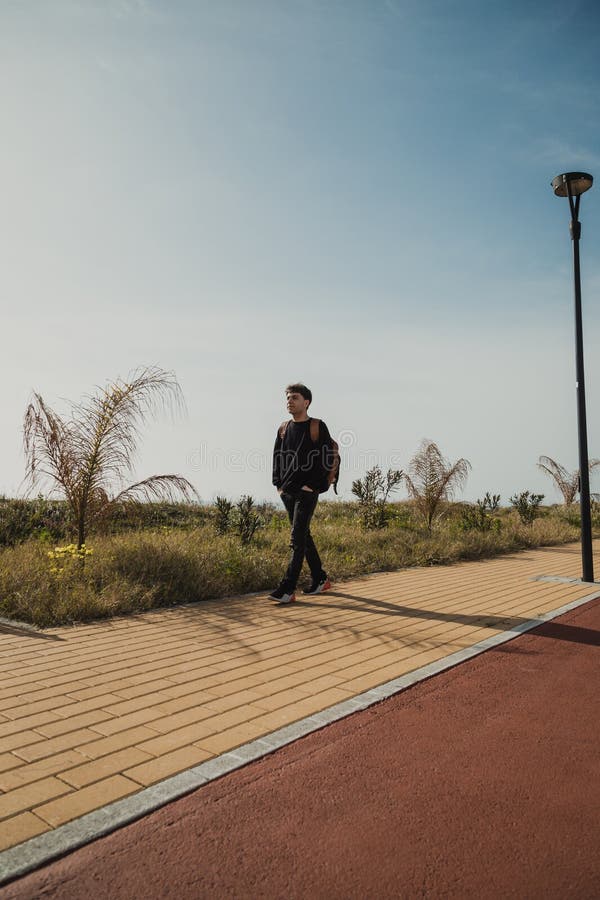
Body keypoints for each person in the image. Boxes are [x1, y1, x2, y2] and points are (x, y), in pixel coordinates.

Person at [270, 383, 334, 604]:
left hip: (308, 491)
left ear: (306, 402)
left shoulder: (318, 426)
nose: (290, 401)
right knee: (303, 535)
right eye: (288, 398)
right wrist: (278, 484)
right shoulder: (283, 428)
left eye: (294, 398)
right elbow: (277, 457)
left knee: (297, 538)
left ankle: (287, 589)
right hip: (287, 491)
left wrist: (313, 486)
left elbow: (326, 458)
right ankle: (320, 578)